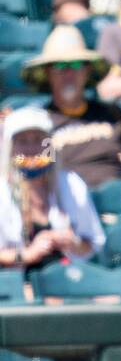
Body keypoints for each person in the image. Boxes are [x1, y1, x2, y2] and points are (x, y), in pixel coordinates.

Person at [21, 26, 121, 189]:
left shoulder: (113, 114)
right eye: (60, 67)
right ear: (47, 73)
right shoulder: (38, 124)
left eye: (77, 65)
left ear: (87, 71)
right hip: (66, 205)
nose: (69, 74)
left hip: (117, 205)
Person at [0, 107, 106, 270]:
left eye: (38, 140)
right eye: (22, 141)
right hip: (18, 284)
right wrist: (26, 254)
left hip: (68, 278)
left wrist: (72, 243)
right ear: (10, 148)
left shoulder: (71, 183)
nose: (31, 149)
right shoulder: (2, 190)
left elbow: (93, 242)